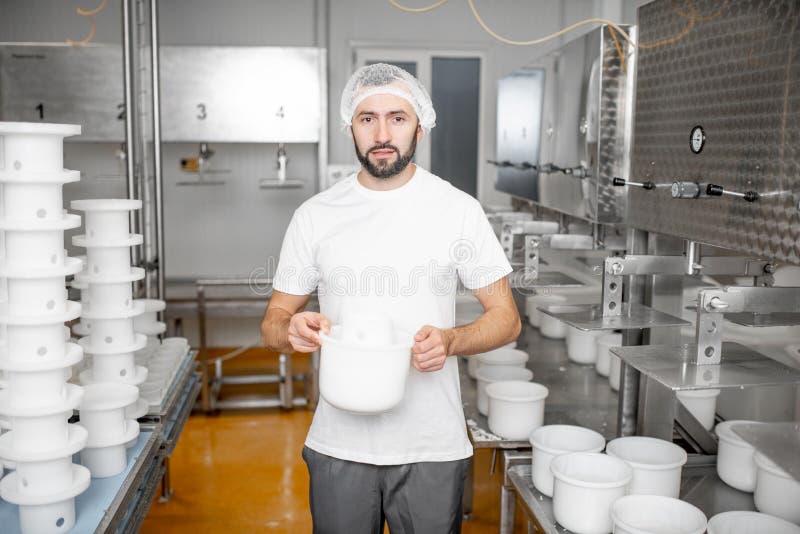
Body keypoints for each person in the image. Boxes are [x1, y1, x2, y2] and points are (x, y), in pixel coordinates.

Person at [260, 63, 521, 534]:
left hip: (431, 447)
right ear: (350, 128)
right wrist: (290, 329)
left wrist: (451, 340)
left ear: (420, 126)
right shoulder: (315, 216)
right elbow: (274, 321)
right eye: (367, 119)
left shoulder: (458, 210)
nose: (382, 133)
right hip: (340, 445)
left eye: (397, 118)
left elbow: (506, 318)